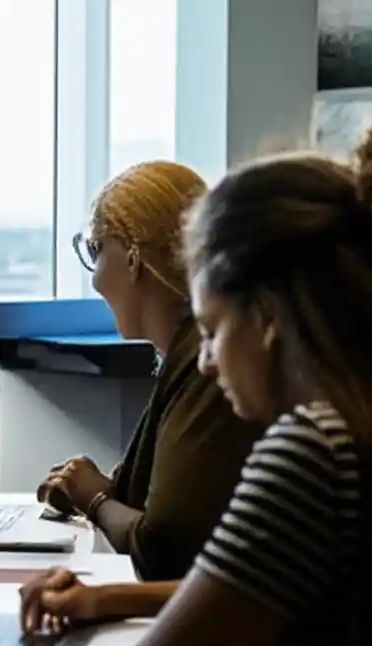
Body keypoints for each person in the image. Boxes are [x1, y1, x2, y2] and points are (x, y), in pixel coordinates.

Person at [23, 122, 372, 646]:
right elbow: (254, 593)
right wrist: (106, 599)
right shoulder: (370, 419)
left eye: (216, 328)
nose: (205, 357)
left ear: (268, 321)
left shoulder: (311, 451)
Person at [39, 161, 263, 581]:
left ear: (132, 257)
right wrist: (93, 487)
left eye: (95, 250)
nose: (94, 280)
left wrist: (94, 499)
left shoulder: (208, 368)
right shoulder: (184, 354)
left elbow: (162, 548)